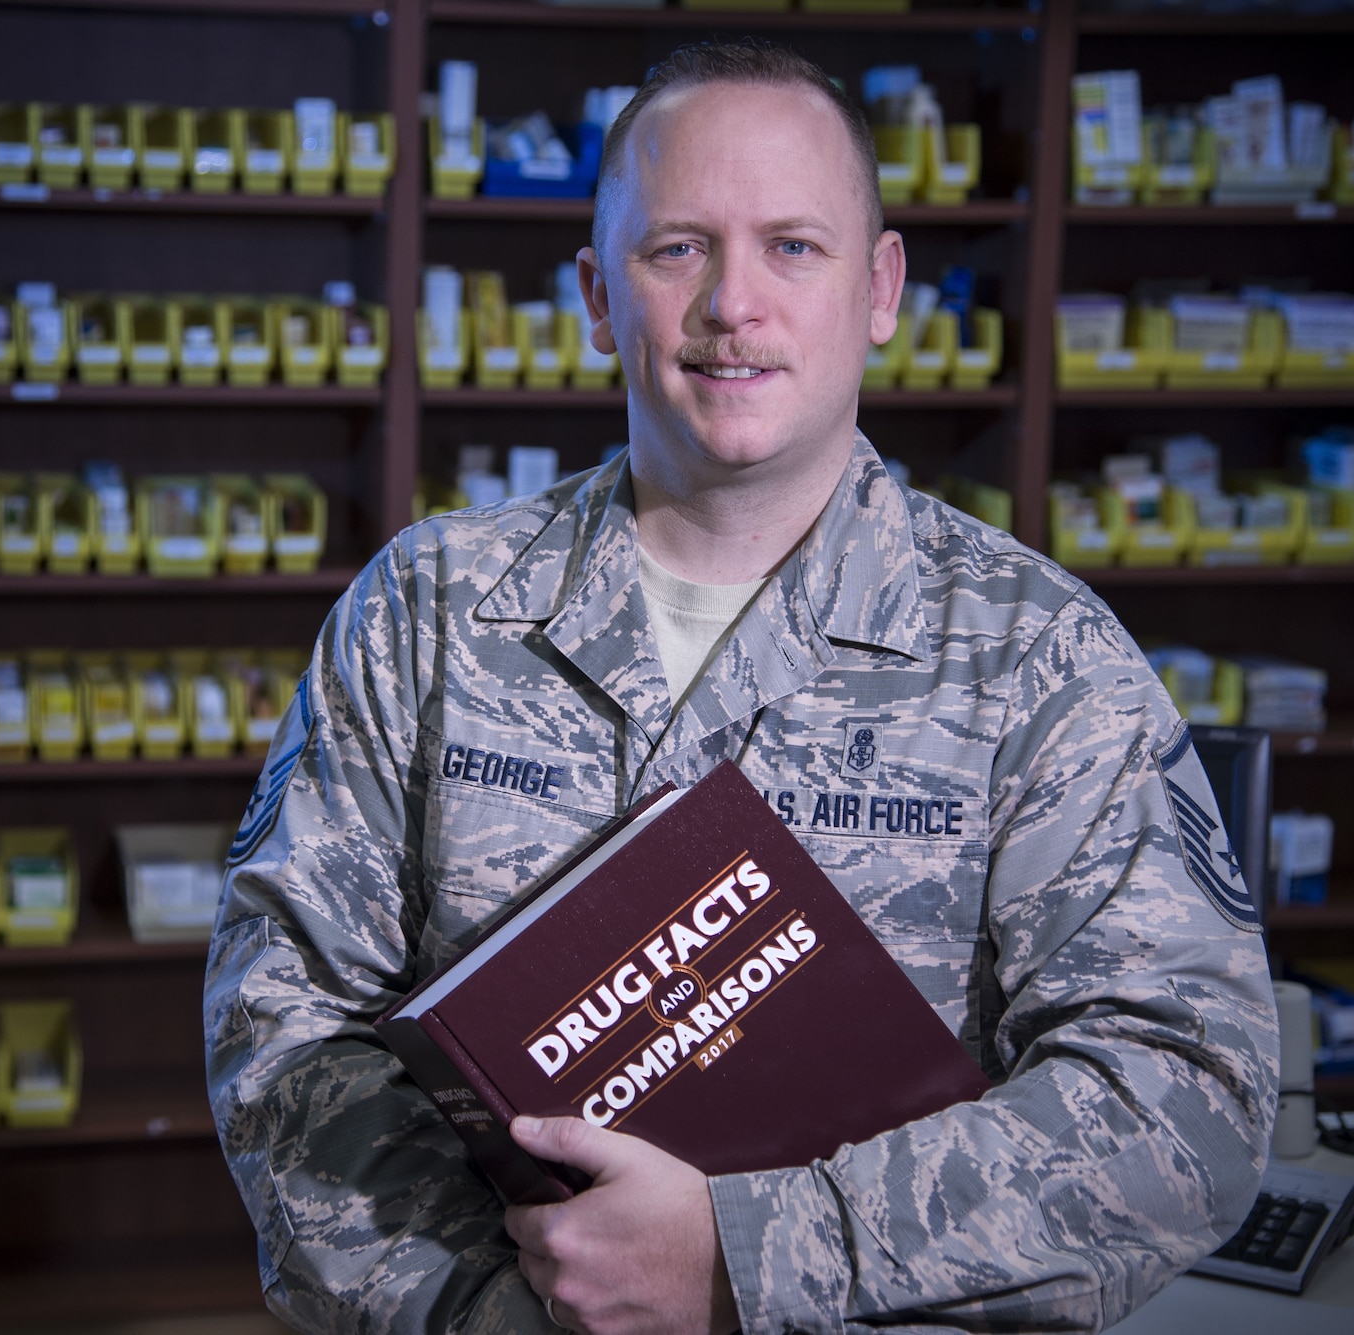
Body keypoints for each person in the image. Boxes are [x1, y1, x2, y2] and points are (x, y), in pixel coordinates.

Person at [206, 39, 1278, 1335]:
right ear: (600, 298)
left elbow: (1185, 1095)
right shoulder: (424, 615)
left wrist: (749, 1259)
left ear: (880, 288)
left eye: (794, 246)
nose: (733, 305)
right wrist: (510, 1317)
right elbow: (287, 1038)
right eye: (678, 250)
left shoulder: (1040, 656)